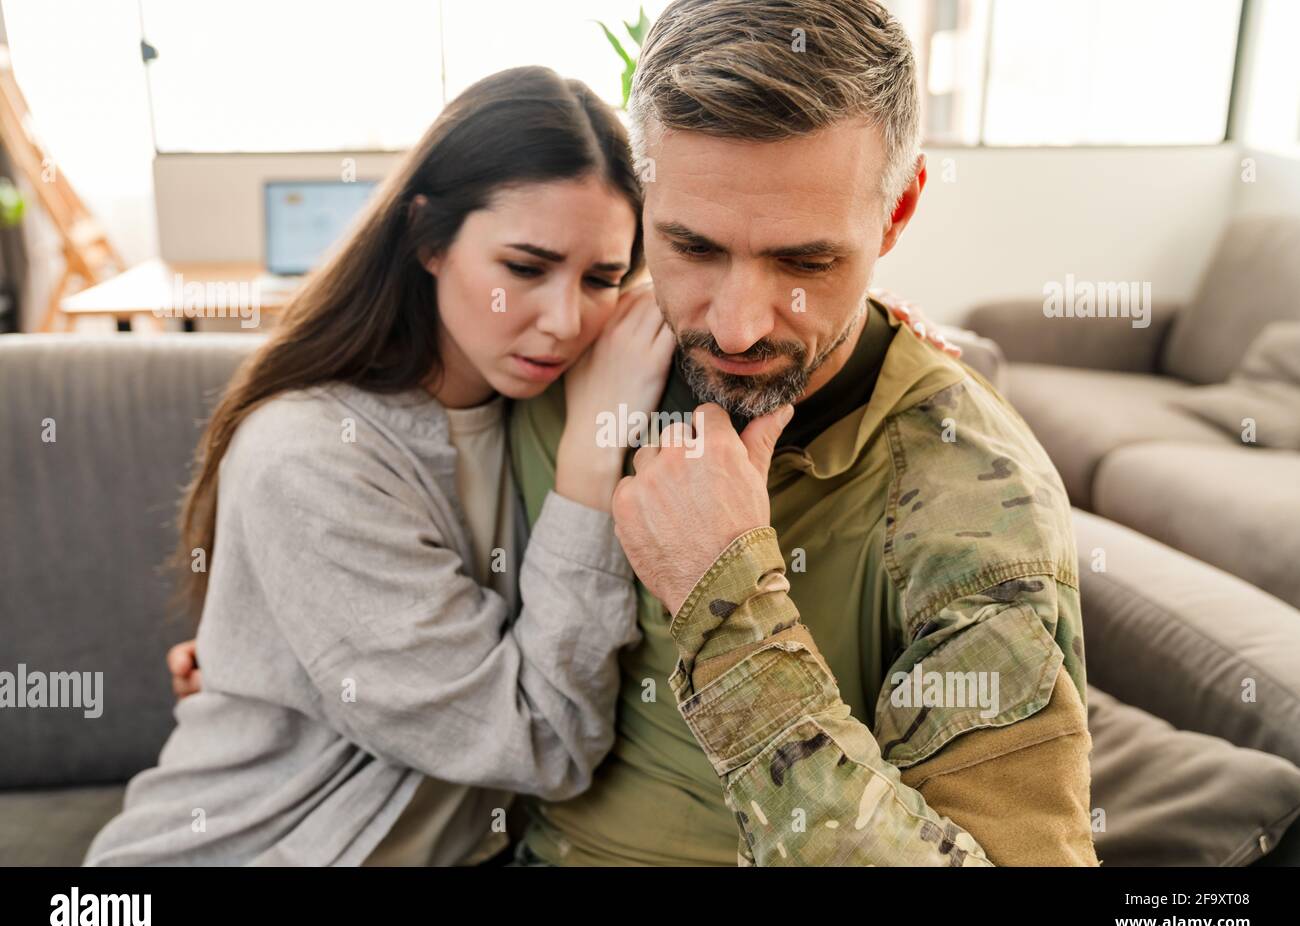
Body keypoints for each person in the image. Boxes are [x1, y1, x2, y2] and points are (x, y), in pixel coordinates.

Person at [506, 0, 1098, 866]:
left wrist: (733, 602)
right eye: (694, 247)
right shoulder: (561, 345)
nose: (739, 326)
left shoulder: (974, 510)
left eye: (806, 261)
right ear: (645, 198)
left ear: (897, 214)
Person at [86, 65, 674, 866]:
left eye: (602, 277)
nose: (564, 321)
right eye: (524, 269)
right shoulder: (307, 457)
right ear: (428, 237)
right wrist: (591, 460)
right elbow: (544, 742)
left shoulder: (547, 392)